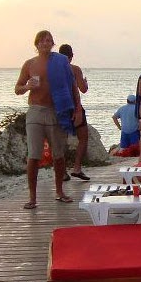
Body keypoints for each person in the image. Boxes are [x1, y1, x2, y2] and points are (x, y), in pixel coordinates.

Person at [14, 29, 82, 209]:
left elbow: (73, 86)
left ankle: (60, 192)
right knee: (34, 156)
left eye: (49, 40)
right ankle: (32, 197)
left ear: (53, 44)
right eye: (42, 40)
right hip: (36, 112)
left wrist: (77, 109)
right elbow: (17, 88)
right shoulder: (29, 64)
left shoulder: (61, 62)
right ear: (36, 44)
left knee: (58, 155)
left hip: (57, 111)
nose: (45, 43)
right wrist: (27, 86)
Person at [59, 44, 90, 181]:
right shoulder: (75, 69)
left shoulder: (54, 69)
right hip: (75, 107)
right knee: (83, 138)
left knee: (61, 141)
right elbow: (83, 89)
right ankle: (77, 167)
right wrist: (84, 82)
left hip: (59, 108)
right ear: (71, 56)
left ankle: (63, 171)